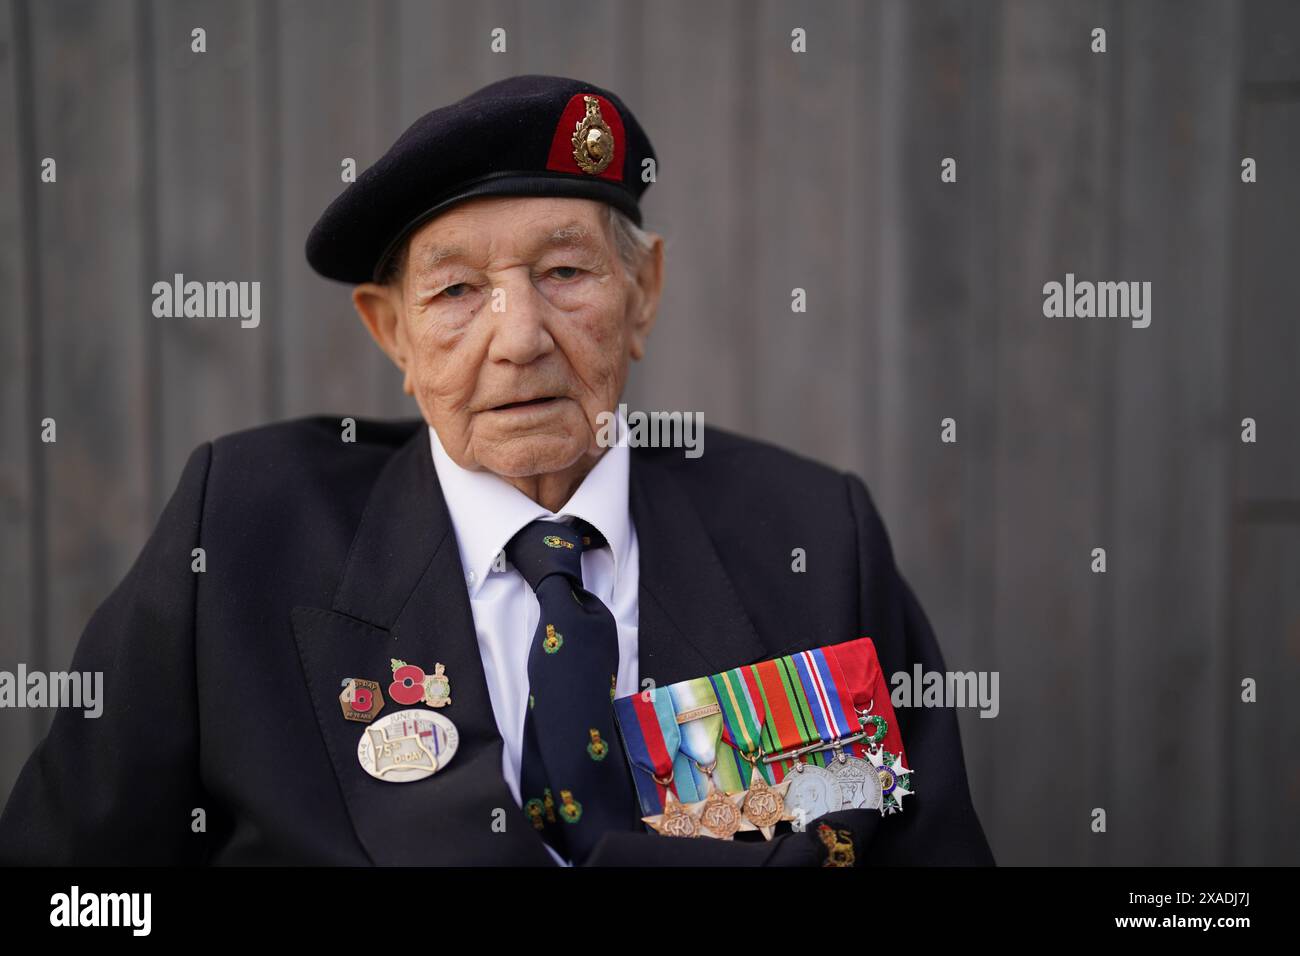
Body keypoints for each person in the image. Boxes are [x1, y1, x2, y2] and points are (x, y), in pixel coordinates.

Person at [0, 75, 993, 866]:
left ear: (642, 293)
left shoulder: (813, 539)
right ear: (391, 329)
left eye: (564, 272)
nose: (518, 337)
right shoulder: (244, 538)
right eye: (457, 289)